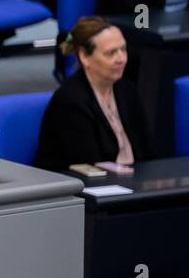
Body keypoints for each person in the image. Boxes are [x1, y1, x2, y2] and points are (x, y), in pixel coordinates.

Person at [35, 17, 156, 172]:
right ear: (85, 57)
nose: (121, 59)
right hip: (86, 186)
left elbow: (148, 152)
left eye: (123, 49)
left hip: (131, 180)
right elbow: (87, 164)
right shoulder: (70, 101)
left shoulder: (128, 91)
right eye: (111, 53)